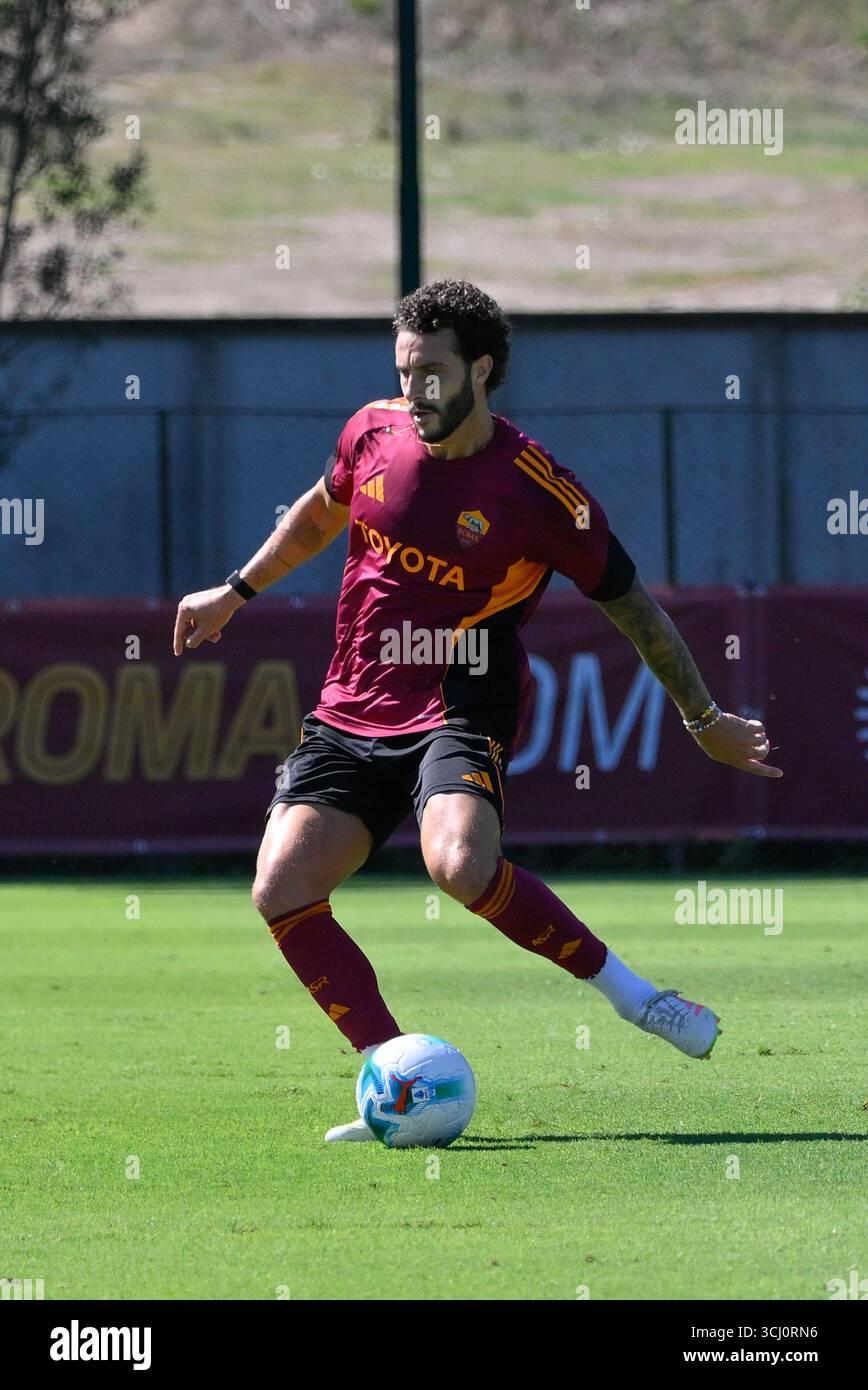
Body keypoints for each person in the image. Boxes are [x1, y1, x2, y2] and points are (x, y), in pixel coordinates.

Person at [173, 280, 782, 1142]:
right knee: (281, 889)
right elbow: (320, 514)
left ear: (483, 370)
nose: (414, 389)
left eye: (432, 372)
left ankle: (639, 999)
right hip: (352, 704)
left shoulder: (539, 489)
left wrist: (701, 717)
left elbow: (634, 607)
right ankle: (395, 1079)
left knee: (458, 865)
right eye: (404, 370)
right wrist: (236, 590)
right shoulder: (371, 432)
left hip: (462, 691)